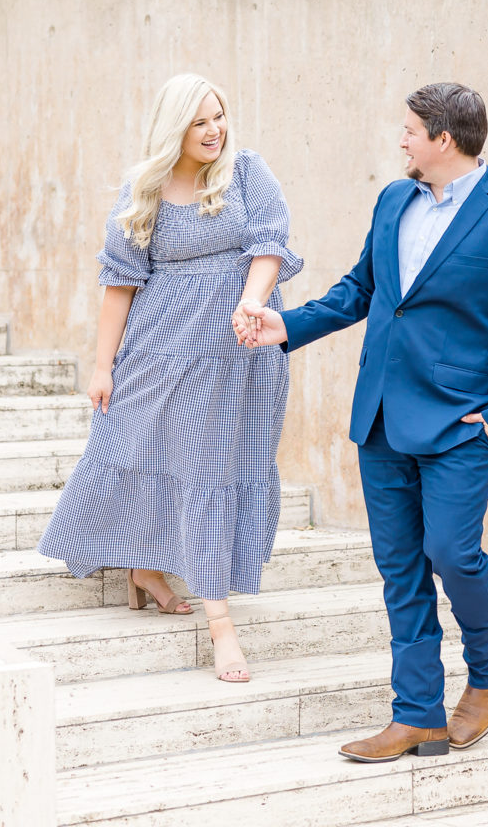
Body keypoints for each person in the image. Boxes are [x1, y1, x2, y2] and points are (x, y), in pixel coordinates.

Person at [236, 82, 488, 759]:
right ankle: (417, 713)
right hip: (381, 415)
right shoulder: (392, 200)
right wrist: (285, 325)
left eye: (411, 130)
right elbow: (362, 290)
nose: (402, 140)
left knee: (451, 552)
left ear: (444, 140)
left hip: (461, 426)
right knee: (399, 567)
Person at [38, 73, 302, 683]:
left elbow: (270, 243)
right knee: (142, 451)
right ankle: (200, 612)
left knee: (218, 469)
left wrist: (253, 302)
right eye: (200, 121)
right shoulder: (144, 189)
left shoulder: (248, 172)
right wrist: (102, 366)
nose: (215, 131)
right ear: (174, 128)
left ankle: (176, 589)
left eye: (220, 117)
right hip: (161, 345)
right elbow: (119, 283)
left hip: (241, 346)